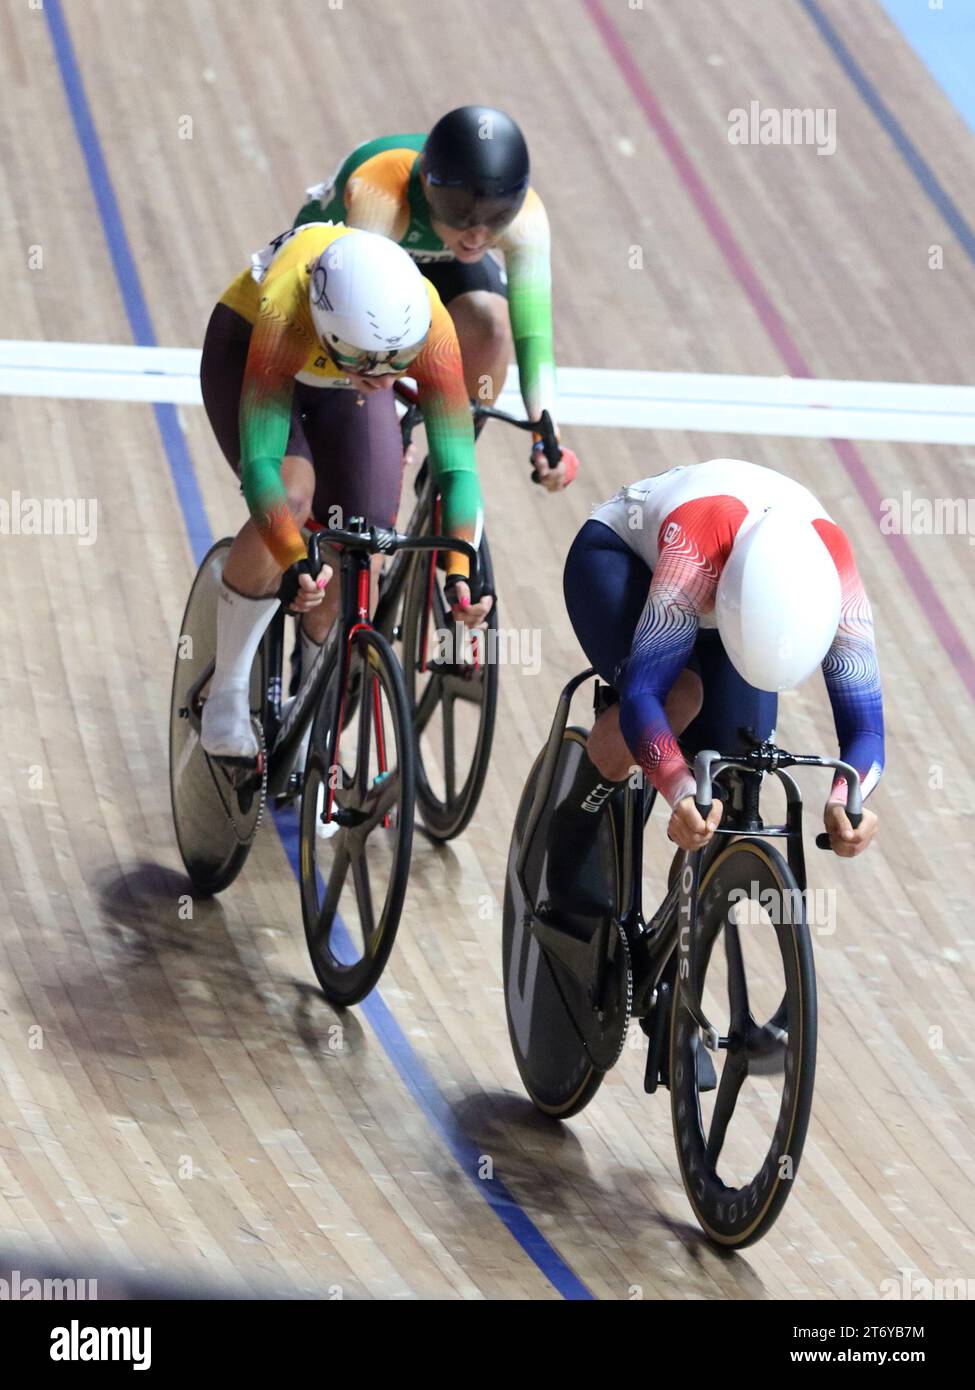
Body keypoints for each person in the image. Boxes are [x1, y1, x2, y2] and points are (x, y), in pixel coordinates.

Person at [198, 221, 487, 760]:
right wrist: (292, 556)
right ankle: (228, 692)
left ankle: (315, 700)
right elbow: (261, 465)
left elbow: (458, 470)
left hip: (340, 387)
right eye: (365, 362)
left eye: (396, 365)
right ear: (331, 333)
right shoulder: (289, 307)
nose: (382, 378)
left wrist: (459, 571)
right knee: (292, 495)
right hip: (250, 350)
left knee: (366, 542)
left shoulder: (425, 328)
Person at [549, 459, 884, 914]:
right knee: (679, 695)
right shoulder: (697, 550)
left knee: (743, 759)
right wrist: (678, 789)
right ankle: (574, 824)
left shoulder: (839, 585)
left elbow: (866, 731)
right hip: (623, 559)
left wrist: (849, 800)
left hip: (728, 599)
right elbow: (643, 695)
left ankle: (678, 933)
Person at [295, 105, 579, 490]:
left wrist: (547, 434)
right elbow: (359, 324)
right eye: (460, 211)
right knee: (360, 398)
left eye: (496, 215)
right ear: (428, 187)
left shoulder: (527, 217)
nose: (478, 235)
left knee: (491, 324)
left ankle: (453, 453)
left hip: (437, 257)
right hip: (349, 262)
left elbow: (535, 338)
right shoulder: (383, 190)